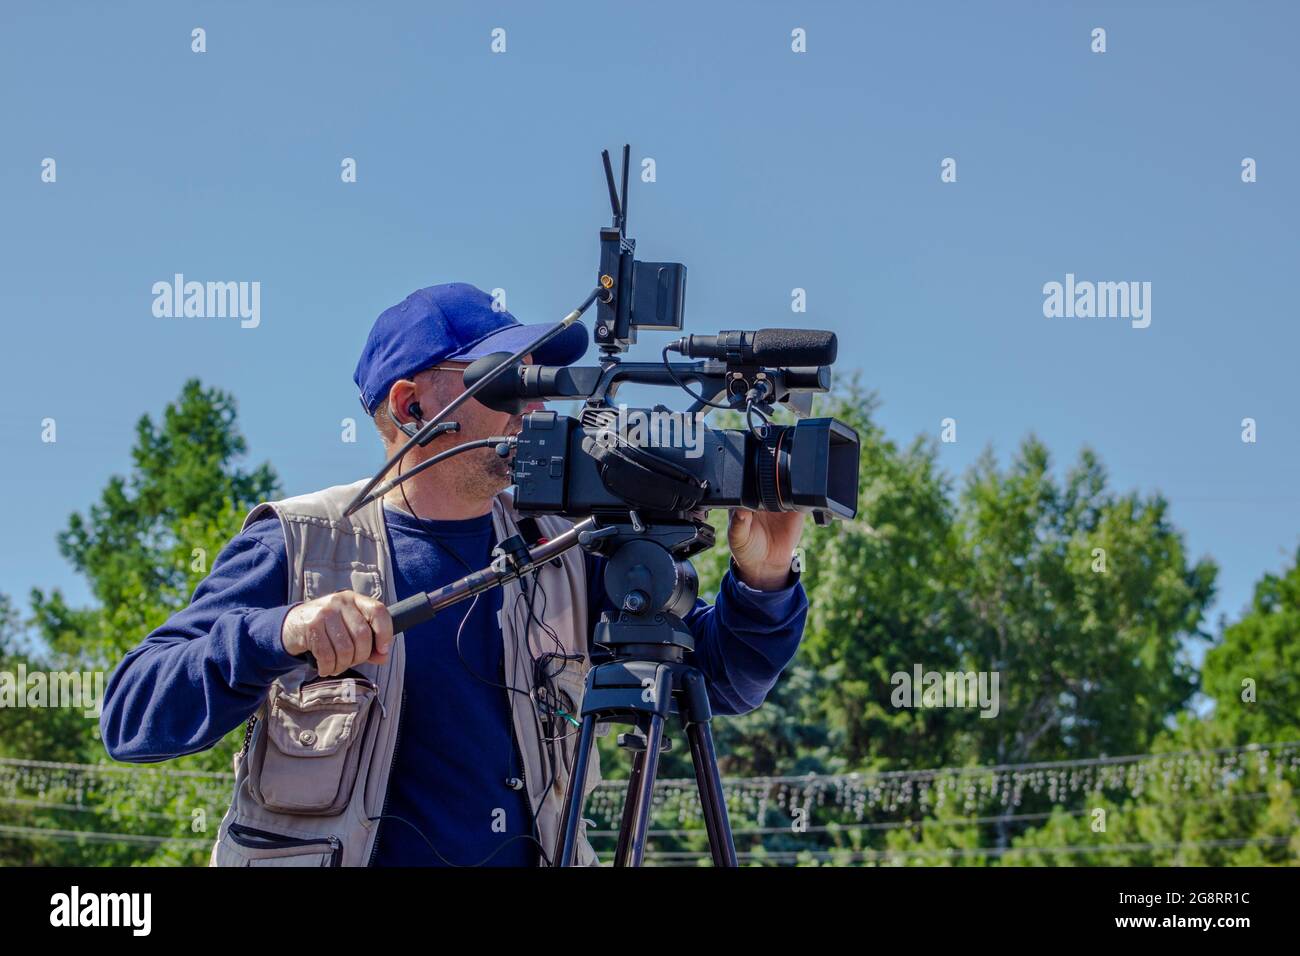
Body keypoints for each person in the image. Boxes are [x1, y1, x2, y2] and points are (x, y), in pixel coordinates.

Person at [100, 282, 809, 866]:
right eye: (509, 381)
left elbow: (720, 684)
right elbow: (133, 715)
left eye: (540, 377)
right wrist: (276, 634)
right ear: (411, 407)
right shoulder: (299, 542)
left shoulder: (567, 547)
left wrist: (765, 578)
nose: (537, 402)